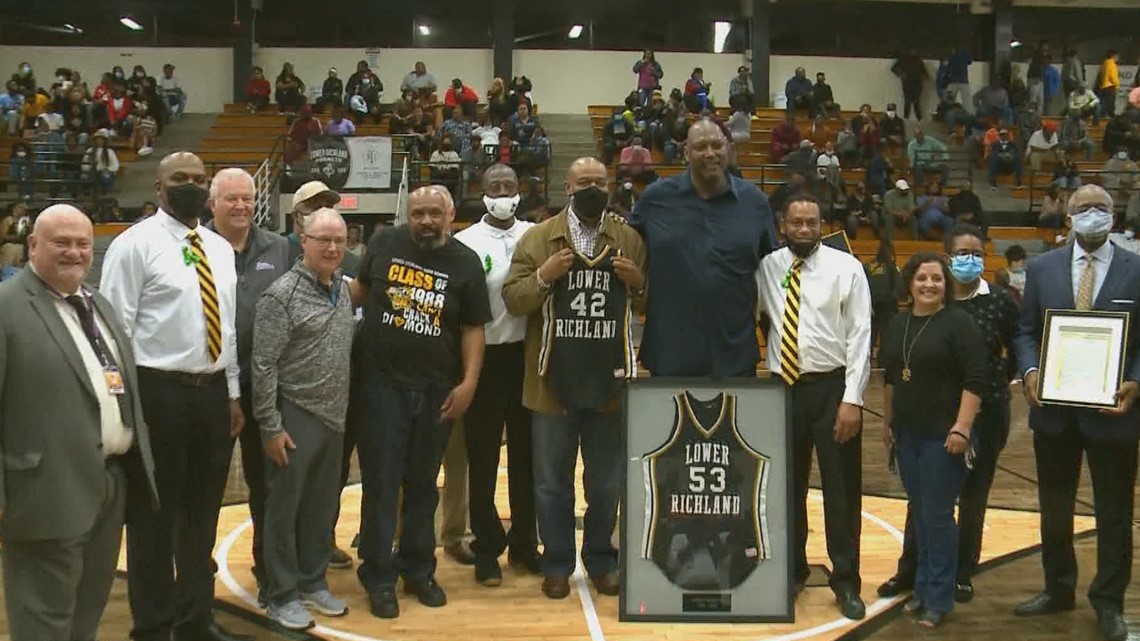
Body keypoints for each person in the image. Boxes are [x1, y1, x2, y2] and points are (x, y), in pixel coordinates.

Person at [101, 152, 252, 641]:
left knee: (202, 513)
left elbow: (225, 325)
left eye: (197, 179)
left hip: (210, 394)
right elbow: (116, 331)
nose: (190, 186)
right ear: (159, 186)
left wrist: (230, 392)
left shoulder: (219, 247)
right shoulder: (134, 245)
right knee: (152, 515)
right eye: (179, 179)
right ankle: (152, 624)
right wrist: (125, 407)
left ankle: (195, 619)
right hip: (155, 392)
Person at [0, 205, 157, 641]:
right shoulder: (7, 308)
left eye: (82, 243)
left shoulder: (97, 302)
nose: (74, 252)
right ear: (33, 245)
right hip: (41, 492)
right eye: (61, 242)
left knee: (86, 614)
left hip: (108, 486)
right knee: (43, 623)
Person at [502, 157, 646, 599]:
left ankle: (602, 559)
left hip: (611, 383)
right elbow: (512, 299)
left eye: (600, 182)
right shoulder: (537, 238)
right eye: (583, 182)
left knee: (605, 483)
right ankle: (559, 562)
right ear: (567, 186)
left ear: (610, 186)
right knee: (551, 483)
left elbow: (645, 304)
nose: (592, 188)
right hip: (551, 385)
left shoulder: (627, 238)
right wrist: (544, 277)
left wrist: (638, 281)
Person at [348, 186, 491, 619]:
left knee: (424, 486)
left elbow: (472, 329)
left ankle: (419, 570)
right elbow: (359, 291)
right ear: (407, 215)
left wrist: (468, 384)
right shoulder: (384, 243)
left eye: (434, 213)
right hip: (380, 387)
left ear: (450, 215)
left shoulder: (465, 263)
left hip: (436, 391)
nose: (425, 220)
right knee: (381, 486)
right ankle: (378, 574)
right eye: (417, 213)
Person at [1013, 184, 1140, 641]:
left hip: (1115, 411)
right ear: (1067, 217)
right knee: (1055, 506)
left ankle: (1108, 601)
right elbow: (1025, 330)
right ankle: (1058, 587)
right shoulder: (1042, 267)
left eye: (1101, 207)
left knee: (1113, 512)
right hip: (1055, 411)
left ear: (1114, 214)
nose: (1092, 214)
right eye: (1082, 208)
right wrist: (1029, 370)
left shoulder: (1136, 268)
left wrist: (1137, 381)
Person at [879, 224, 1019, 604]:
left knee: (964, 501)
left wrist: (1028, 377)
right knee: (923, 504)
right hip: (919, 423)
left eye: (977, 252)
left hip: (975, 416)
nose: (969, 259)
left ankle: (957, 577)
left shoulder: (994, 304)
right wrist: (889, 421)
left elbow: (1015, 346)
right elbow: (893, 373)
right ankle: (913, 573)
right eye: (962, 252)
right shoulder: (907, 321)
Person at [756, 194, 872, 619]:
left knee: (841, 492)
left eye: (812, 222)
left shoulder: (847, 268)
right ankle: (790, 573)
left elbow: (861, 335)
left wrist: (853, 399)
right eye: (796, 222)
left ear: (822, 225)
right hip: (782, 388)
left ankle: (846, 579)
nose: (804, 229)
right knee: (785, 489)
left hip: (832, 389)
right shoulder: (767, 266)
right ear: (782, 224)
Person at [252, 208, 355, 630]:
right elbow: (262, 365)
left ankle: (313, 582)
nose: (332, 248)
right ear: (303, 241)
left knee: (319, 508)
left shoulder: (343, 290)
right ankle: (280, 594)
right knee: (283, 510)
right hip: (294, 415)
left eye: (339, 241)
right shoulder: (281, 295)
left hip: (334, 418)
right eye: (323, 240)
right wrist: (271, 426)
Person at [880, 251, 985, 629]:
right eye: (922, 277)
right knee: (921, 514)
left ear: (947, 285)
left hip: (944, 438)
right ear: (909, 282)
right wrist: (888, 423)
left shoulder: (959, 323)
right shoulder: (897, 323)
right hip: (906, 435)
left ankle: (939, 597)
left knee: (938, 516)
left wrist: (962, 427)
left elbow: (976, 380)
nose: (929, 284)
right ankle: (922, 588)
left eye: (936, 278)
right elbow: (891, 376)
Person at [204, 168, 292, 608]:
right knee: (204, 489)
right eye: (230, 198)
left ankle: (270, 573)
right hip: (208, 389)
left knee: (268, 488)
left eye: (246, 198)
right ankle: (197, 580)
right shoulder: (194, 247)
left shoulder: (278, 248)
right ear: (212, 202)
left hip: (266, 390)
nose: (240, 206)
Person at [629, 119, 778, 378]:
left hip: (735, 351)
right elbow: (627, 244)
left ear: (728, 149)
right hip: (670, 350)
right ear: (686, 153)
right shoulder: (655, 199)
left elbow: (775, 270)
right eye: (700, 147)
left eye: (717, 145)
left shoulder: (756, 202)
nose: (710, 153)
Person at [451, 164, 541, 585]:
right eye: (494, 186)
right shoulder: (464, 242)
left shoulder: (536, 235)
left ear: (519, 191)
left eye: (508, 185)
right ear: (482, 192)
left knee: (527, 458)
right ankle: (487, 545)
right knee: (483, 458)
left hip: (528, 359)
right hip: (483, 360)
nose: (501, 192)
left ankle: (525, 544)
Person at [865, 239, 899, 362]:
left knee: (870, 335)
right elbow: (897, 286)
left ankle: (866, 361)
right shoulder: (891, 267)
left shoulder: (868, 266)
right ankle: (884, 361)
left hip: (869, 304)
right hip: (887, 304)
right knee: (887, 334)